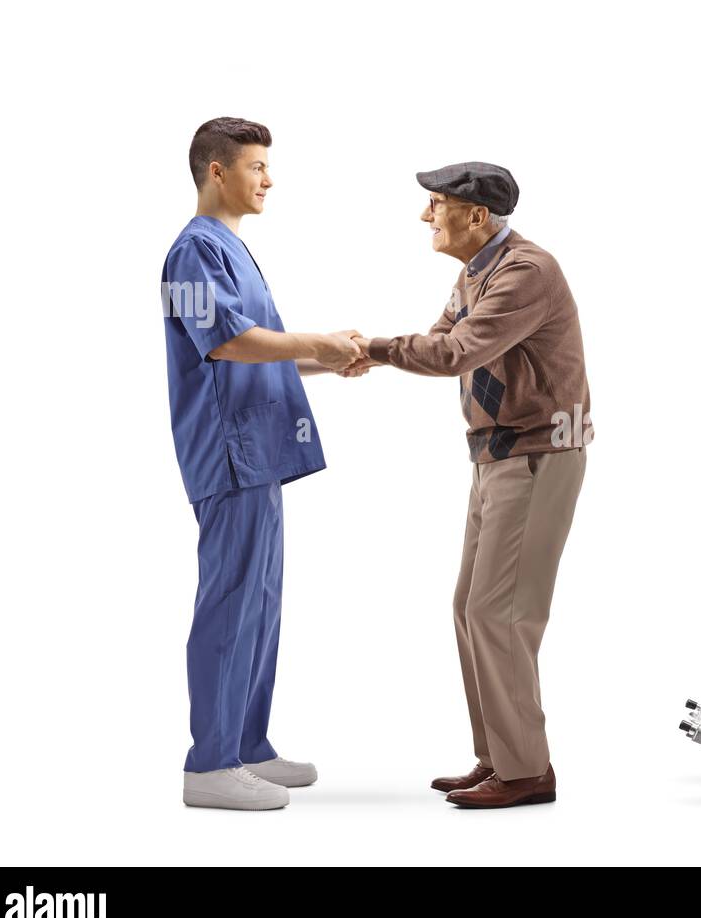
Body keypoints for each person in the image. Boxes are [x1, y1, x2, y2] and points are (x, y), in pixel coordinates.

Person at [350, 162, 592, 808]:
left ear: (476, 216)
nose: (426, 217)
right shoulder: (475, 275)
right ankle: (498, 759)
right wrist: (371, 351)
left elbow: (457, 353)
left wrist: (370, 349)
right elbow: (437, 341)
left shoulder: (524, 272)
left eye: (436, 204)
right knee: (469, 607)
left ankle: (526, 771)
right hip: (495, 457)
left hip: (539, 454)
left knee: (501, 611)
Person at [162, 117, 364, 810]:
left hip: (263, 450)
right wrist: (315, 342)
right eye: (256, 166)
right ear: (217, 171)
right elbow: (226, 344)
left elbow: (265, 345)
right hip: (227, 451)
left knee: (263, 601)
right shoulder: (192, 253)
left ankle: (247, 745)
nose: (269, 179)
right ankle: (209, 765)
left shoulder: (235, 250)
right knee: (229, 598)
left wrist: (330, 360)